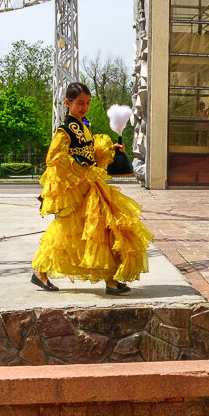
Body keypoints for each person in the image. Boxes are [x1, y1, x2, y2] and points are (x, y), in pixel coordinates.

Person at [31, 82, 153, 295]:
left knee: (105, 228)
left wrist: (110, 151)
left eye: (87, 103)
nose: (84, 107)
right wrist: (78, 168)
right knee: (69, 232)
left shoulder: (83, 125)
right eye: (79, 103)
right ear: (67, 103)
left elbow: (90, 155)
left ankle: (111, 279)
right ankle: (40, 271)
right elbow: (53, 158)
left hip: (91, 185)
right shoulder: (65, 130)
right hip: (78, 190)